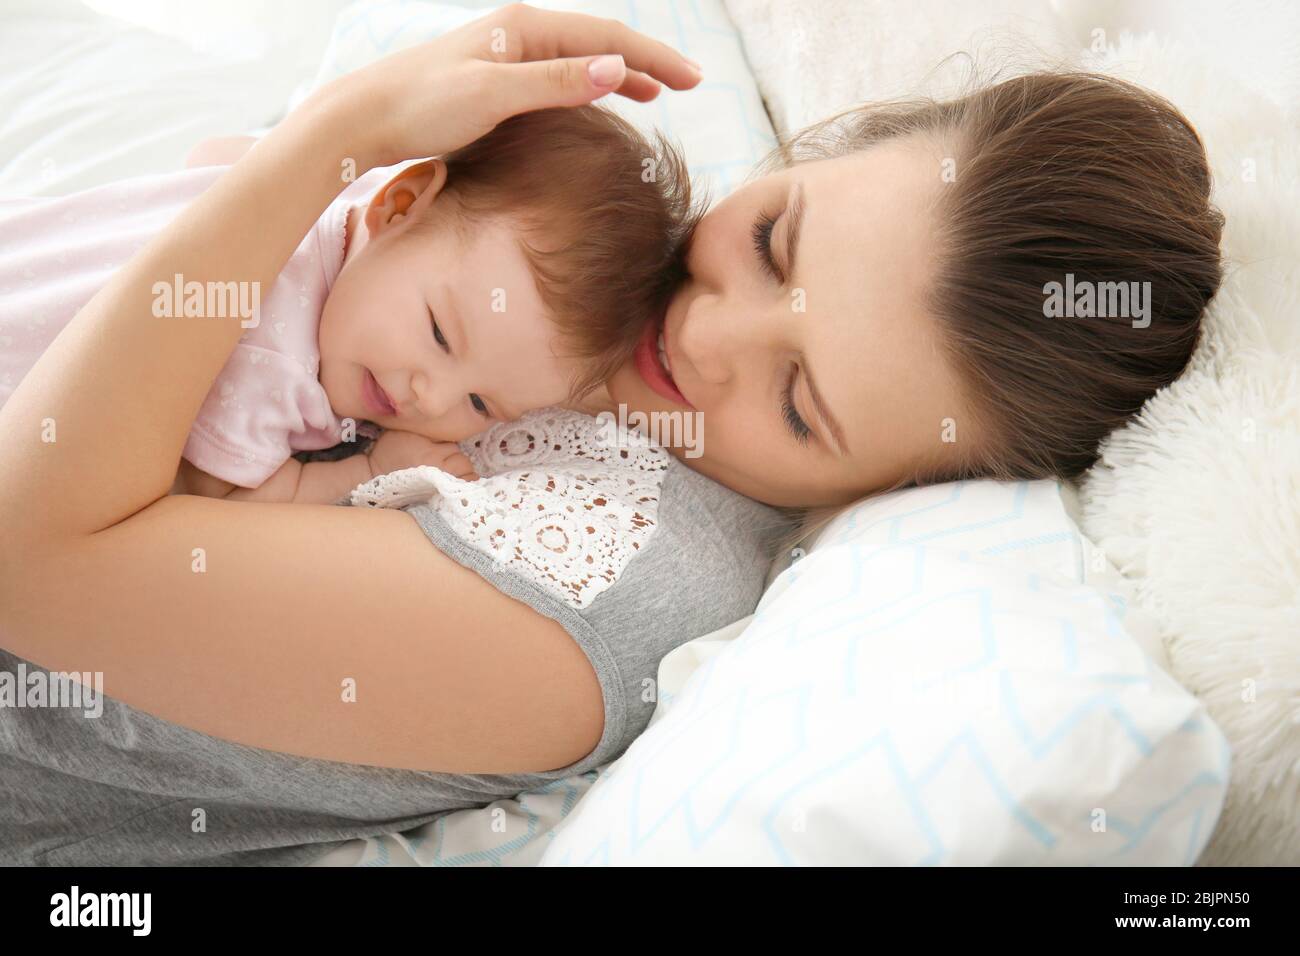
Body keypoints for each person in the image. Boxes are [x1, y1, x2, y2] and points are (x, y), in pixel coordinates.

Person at [0, 4, 1222, 864]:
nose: (702, 334)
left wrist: (341, 128)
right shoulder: (598, 254)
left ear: (894, 481)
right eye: (771, 242)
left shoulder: (609, 583)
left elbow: (25, 560)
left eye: (798, 402)